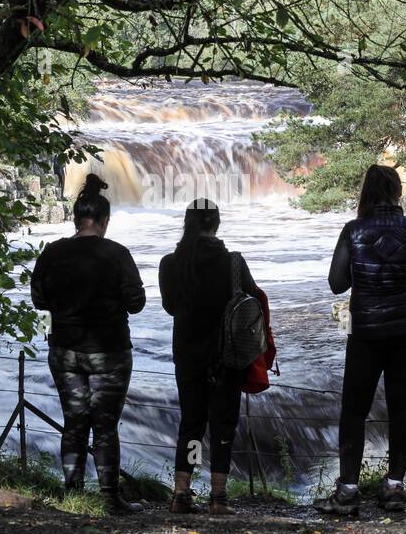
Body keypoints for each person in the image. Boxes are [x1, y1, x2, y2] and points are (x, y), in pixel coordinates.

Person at [314, 164, 406, 516]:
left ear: (365, 193)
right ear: (398, 192)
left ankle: (348, 492)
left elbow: (336, 283)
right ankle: (394, 486)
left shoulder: (353, 231)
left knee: (354, 409)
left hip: (367, 332)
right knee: (401, 406)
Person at [30, 173, 145, 515]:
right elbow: (136, 303)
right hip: (110, 352)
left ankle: (72, 495)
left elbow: (39, 300)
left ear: (76, 219)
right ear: (105, 221)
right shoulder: (118, 254)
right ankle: (110, 498)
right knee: (105, 426)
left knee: (74, 422)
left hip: (65, 351)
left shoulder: (52, 253)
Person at [159, 199, 258, 515]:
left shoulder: (170, 264)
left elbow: (170, 307)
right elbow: (251, 301)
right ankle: (218, 499)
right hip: (226, 356)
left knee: (191, 425)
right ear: (216, 223)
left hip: (187, 355)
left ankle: (182, 495)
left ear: (187, 224)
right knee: (223, 426)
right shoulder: (233, 263)